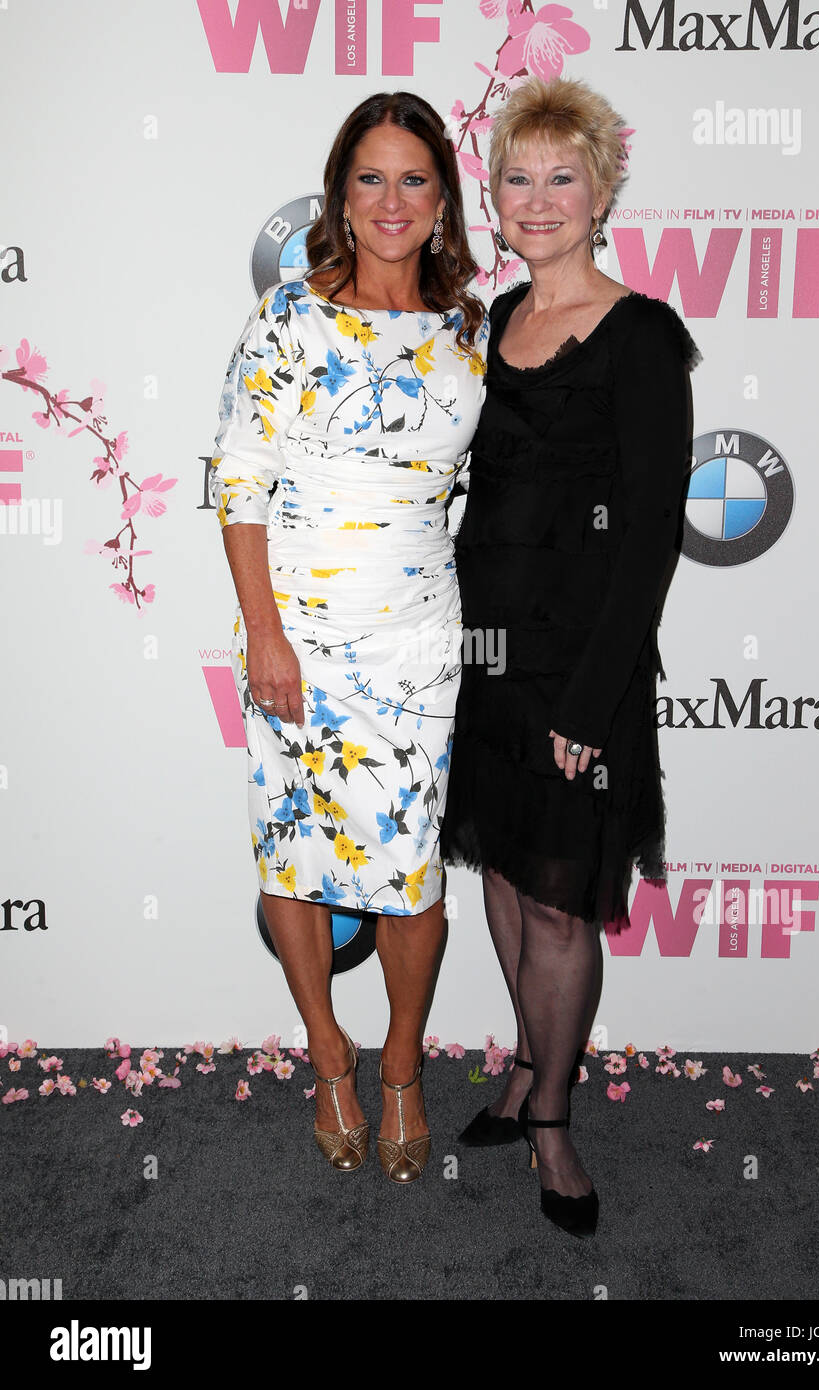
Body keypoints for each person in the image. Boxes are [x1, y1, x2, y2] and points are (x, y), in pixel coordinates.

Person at [210, 92, 488, 1183]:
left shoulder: (471, 329)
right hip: (299, 637)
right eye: (369, 178)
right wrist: (264, 636)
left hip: (418, 635)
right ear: (339, 195)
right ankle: (328, 1052)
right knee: (294, 850)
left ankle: (404, 1067)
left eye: (413, 179)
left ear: (441, 200)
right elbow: (240, 485)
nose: (390, 201)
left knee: (410, 871)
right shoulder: (286, 319)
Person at [440, 76, 701, 1236]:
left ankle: (551, 1110)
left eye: (563, 176)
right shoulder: (492, 324)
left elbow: (648, 533)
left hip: (578, 672)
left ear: (602, 194)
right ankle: (523, 1061)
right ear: (492, 197)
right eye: (517, 176)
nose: (538, 199)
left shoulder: (640, 333)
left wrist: (593, 697)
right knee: (501, 873)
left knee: (559, 909)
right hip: (483, 658)